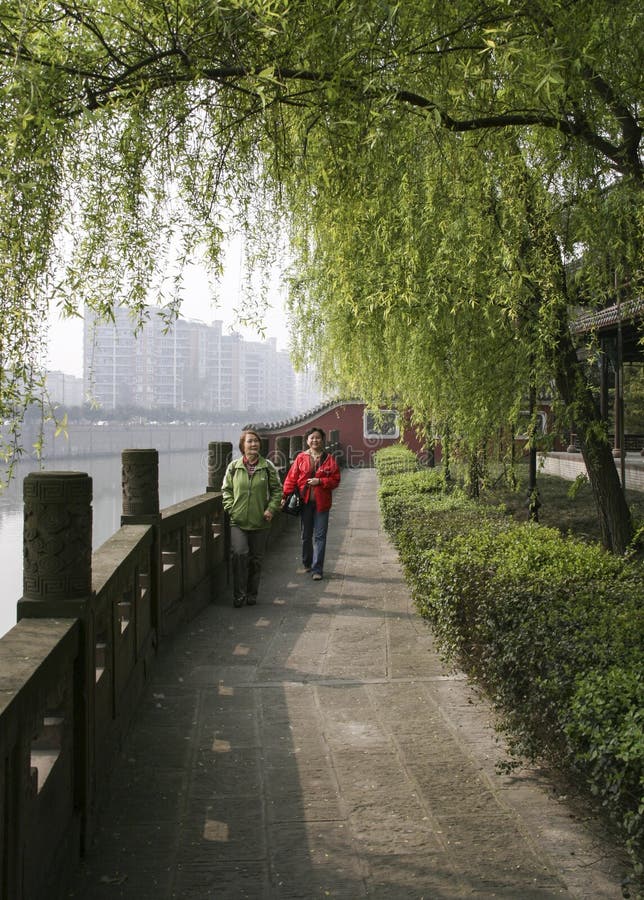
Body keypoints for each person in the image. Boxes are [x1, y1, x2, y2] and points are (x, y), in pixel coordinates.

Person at [222, 429, 283, 608]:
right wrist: (231, 509)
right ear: (242, 445)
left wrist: (271, 509)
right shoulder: (234, 467)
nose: (253, 444)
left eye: (256, 441)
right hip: (238, 521)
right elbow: (226, 490)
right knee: (239, 555)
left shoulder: (267, 467)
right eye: (249, 441)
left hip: (260, 521)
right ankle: (238, 594)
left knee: (256, 559)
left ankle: (251, 593)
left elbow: (277, 490)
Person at [281, 427, 341, 581]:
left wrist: (320, 481)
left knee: (320, 536)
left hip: (322, 504)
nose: (315, 440)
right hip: (305, 502)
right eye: (312, 438)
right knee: (306, 535)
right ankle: (307, 562)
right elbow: (291, 478)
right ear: (307, 440)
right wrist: (284, 495)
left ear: (323, 440)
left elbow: (336, 480)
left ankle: (317, 569)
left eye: (318, 438)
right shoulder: (301, 458)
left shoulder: (329, 459)